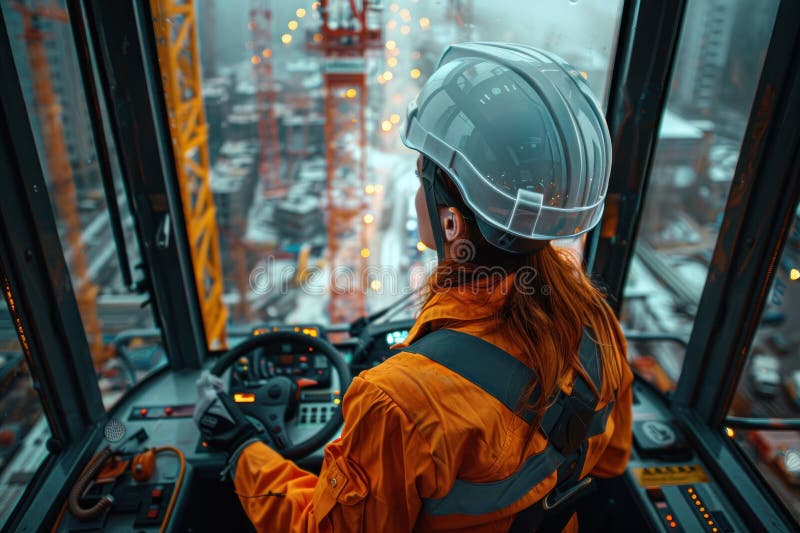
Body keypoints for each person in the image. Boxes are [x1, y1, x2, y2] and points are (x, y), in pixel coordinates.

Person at [194, 42, 632, 532]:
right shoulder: (594, 319)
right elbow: (611, 459)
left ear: (451, 221)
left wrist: (242, 449)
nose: (416, 187)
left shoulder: (399, 403)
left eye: (423, 173)